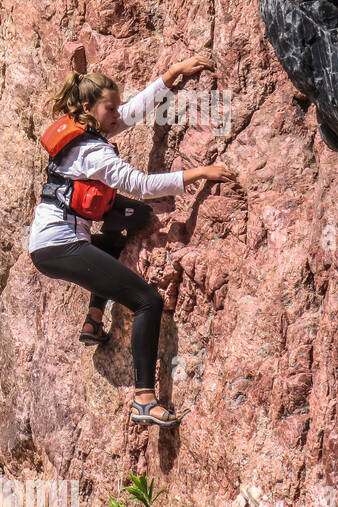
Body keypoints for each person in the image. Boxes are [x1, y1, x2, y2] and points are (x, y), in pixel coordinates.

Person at [27, 56, 237, 428]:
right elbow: (140, 184)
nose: (117, 113)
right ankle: (144, 399)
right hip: (59, 246)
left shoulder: (85, 131)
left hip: (56, 240)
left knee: (134, 216)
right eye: (111, 107)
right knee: (147, 301)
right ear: (91, 108)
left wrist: (169, 77)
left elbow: (130, 114)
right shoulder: (93, 151)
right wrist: (198, 172)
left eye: (117, 104)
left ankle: (94, 319)